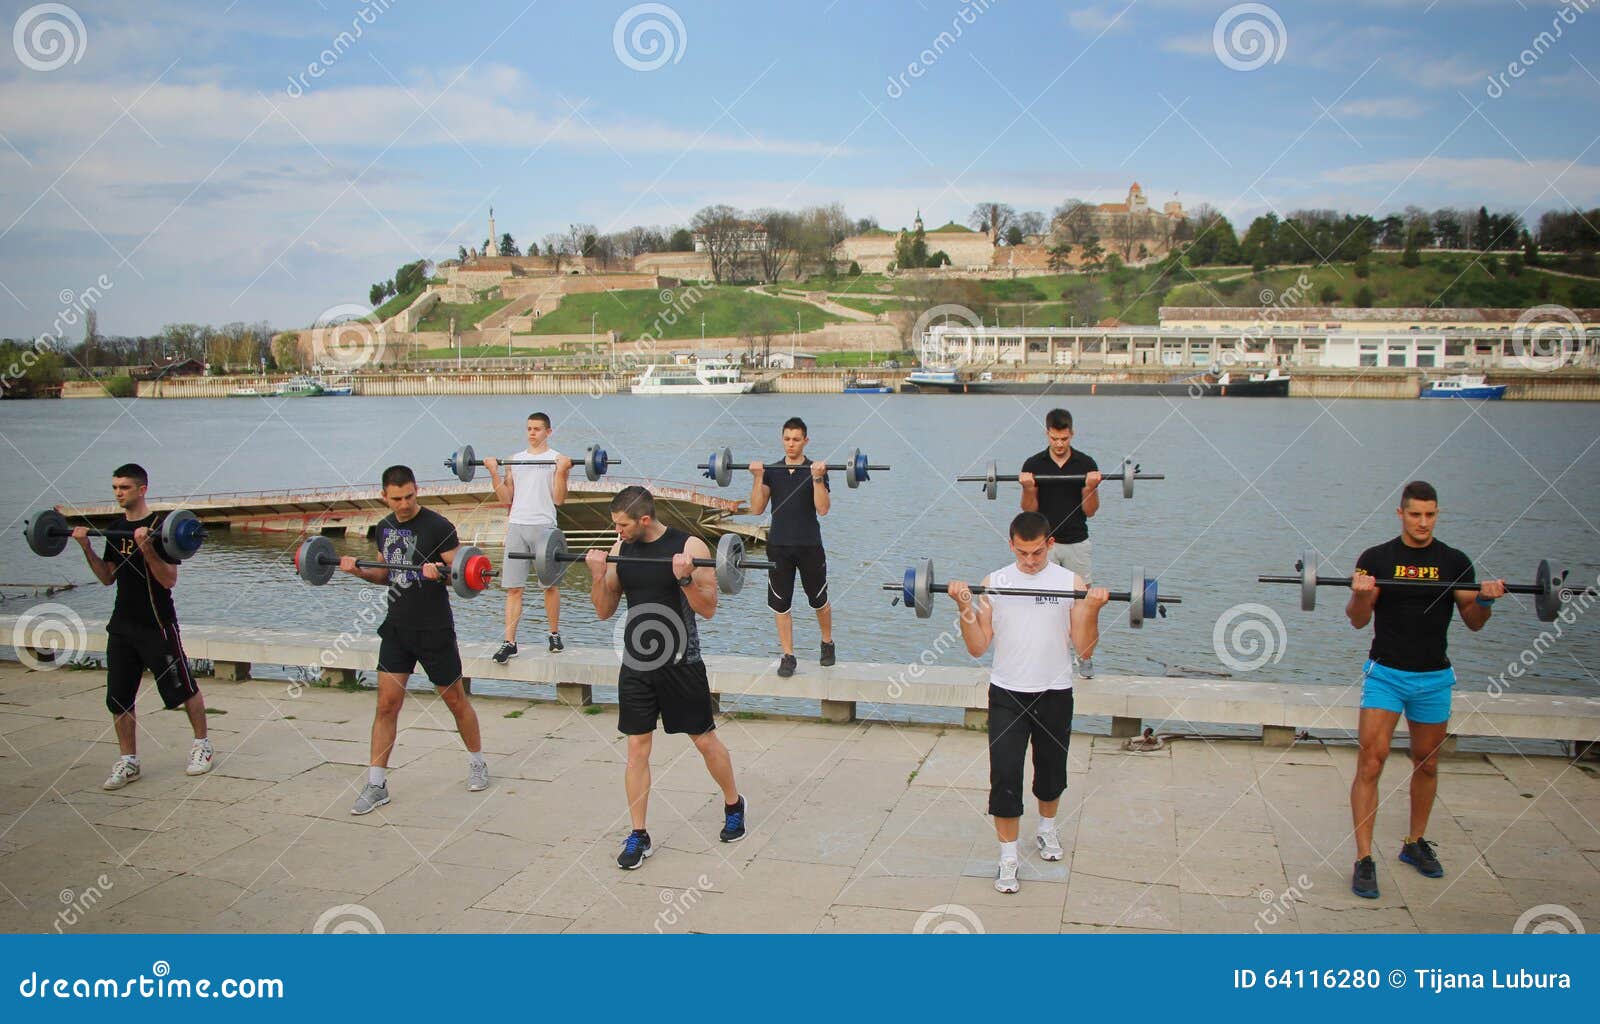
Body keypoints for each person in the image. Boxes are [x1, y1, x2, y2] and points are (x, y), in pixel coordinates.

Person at [1346, 480, 1505, 900]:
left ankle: (1414, 844)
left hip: (1434, 677)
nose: (1422, 522)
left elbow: (1473, 620)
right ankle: (1364, 860)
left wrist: (1485, 600)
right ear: (1400, 513)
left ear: (1437, 514)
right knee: (1370, 763)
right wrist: (1362, 595)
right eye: (1415, 514)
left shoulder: (1454, 562)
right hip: (1386, 674)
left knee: (1428, 763)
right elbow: (1358, 620)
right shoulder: (1377, 558)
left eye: (1430, 514)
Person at [587, 486, 747, 869]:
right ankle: (638, 834)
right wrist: (598, 575)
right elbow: (604, 611)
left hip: (682, 662)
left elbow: (708, 609)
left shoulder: (690, 547)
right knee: (637, 748)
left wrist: (686, 580)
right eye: (615, 525)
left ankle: (733, 804)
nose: (617, 531)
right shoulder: (620, 550)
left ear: (644, 520)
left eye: (623, 525)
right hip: (637, 664)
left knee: (704, 741)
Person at [949, 512, 1108, 894]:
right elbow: (977, 647)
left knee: (1050, 773)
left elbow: (1084, 647)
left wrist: (1094, 608)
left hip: (1054, 691)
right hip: (1007, 692)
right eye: (1022, 553)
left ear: (1050, 545)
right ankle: (1008, 857)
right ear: (1011, 545)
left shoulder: (1071, 583)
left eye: (1037, 553)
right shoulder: (994, 582)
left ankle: (1047, 830)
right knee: (1004, 776)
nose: (1030, 561)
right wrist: (963, 607)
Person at [345, 466, 489, 815]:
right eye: (397, 498)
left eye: (410, 496)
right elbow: (384, 575)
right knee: (386, 705)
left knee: (455, 701)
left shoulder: (438, 527)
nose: (405, 503)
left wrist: (440, 574)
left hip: (434, 629)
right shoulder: (383, 528)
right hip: (397, 628)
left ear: (416, 490)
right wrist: (358, 571)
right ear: (385, 496)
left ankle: (478, 762)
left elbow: (465, 579)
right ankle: (377, 783)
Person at [73, 464, 213, 789]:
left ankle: (202, 745)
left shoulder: (162, 527)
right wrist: (86, 548)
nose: (118, 493)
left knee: (183, 689)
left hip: (158, 625)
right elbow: (107, 578)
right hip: (122, 626)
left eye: (124, 487)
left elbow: (169, 580)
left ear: (142, 489)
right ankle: (128, 762)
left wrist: (147, 547)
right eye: (115, 488)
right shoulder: (115, 527)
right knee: (118, 697)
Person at [1018, 408, 1103, 677]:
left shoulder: (1086, 463)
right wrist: (1028, 488)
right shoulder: (1033, 464)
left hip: (1077, 542)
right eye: (1055, 438)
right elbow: (1028, 512)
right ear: (1047, 434)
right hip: (1046, 546)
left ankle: (1084, 657)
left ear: (1071, 434)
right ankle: (1043, 659)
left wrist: (1090, 488)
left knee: (1083, 604)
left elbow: (1090, 511)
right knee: (1042, 603)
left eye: (1064, 439)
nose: (1059, 444)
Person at [747, 417, 834, 678]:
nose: (791, 444)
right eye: (787, 439)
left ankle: (827, 643)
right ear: (782, 439)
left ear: (805, 441)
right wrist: (758, 477)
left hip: (809, 545)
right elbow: (756, 508)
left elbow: (823, 509)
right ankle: (788, 655)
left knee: (818, 599)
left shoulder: (816, 470)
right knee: (780, 603)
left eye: (796, 439)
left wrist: (818, 480)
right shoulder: (771, 471)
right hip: (779, 546)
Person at [485, 412, 572, 662]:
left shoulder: (557, 459)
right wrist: (493, 472)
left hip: (544, 526)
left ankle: (554, 635)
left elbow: (559, 499)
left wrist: (563, 473)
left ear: (548, 432)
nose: (532, 433)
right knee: (513, 588)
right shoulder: (514, 460)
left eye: (537, 429)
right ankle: (509, 642)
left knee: (550, 586)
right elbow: (506, 499)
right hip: (517, 526)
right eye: (529, 429)